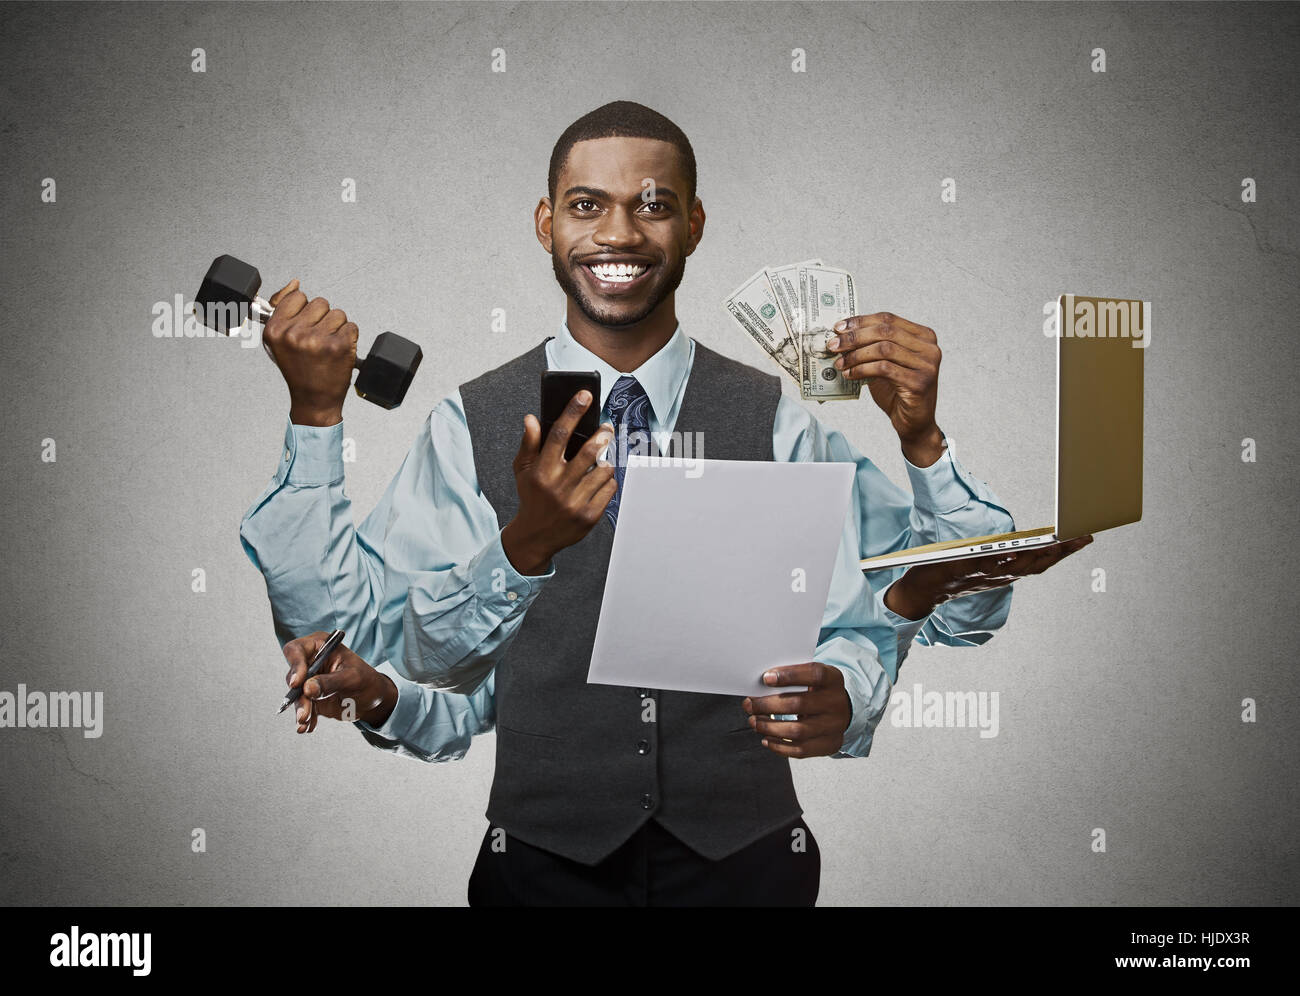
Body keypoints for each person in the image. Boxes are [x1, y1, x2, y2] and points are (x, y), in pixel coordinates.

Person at [240, 101, 1089, 906]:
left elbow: (949, 614)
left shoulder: (776, 417)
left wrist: (922, 446)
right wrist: (324, 420)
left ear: (693, 225)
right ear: (547, 225)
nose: (618, 232)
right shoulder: (470, 424)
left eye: (652, 205)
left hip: (748, 872)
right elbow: (402, 653)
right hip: (540, 875)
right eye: (585, 205)